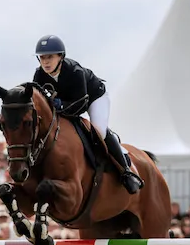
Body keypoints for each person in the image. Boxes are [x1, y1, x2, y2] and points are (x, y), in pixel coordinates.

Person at [30, 35, 141, 193]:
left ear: (61, 56)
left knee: (99, 131)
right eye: (42, 58)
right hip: (66, 105)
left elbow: (80, 104)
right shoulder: (39, 75)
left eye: (50, 57)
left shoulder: (74, 71)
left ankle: (126, 171)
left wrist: (60, 105)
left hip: (94, 98)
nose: (45, 62)